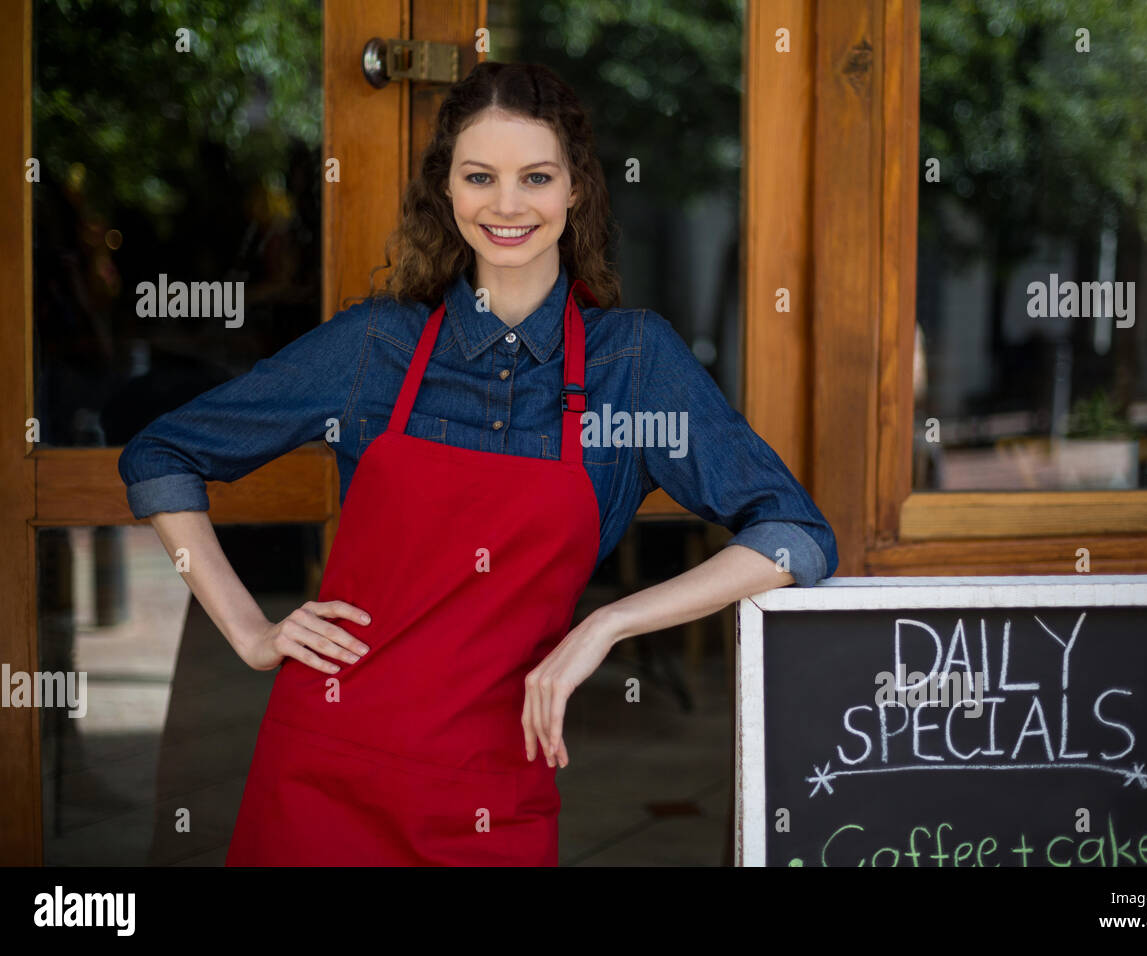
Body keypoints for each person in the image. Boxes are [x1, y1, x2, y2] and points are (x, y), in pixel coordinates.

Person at [118, 60, 838, 866]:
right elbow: (161, 455)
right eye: (479, 177)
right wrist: (251, 633)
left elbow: (796, 537)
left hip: (495, 787)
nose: (506, 205)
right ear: (447, 192)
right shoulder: (375, 346)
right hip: (325, 767)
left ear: (576, 191)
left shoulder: (632, 363)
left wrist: (608, 623)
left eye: (536, 176)